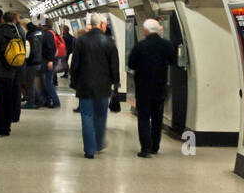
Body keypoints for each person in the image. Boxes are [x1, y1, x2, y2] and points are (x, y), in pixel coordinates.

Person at [69, 13, 119, 158]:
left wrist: (74, 82)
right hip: (103, 87)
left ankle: (89, 150)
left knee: (87, 116)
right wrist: (115, 83)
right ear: (102, 25)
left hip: (84, 86)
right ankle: (98, 144)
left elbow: (75, 64)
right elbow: (114, 66)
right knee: (101, 116)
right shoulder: (108, 42)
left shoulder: (81, 40)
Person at [127, 18, 176, 157]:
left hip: (143, 87)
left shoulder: (140, 46)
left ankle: (145, 148)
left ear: (146, 31)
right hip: (160, 87)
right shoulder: (166, 45)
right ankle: (155, 146)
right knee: (157, 117)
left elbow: (131, 64)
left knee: (143, 117)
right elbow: (173, 61)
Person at [0, 10, 26, 136]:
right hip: (12, 72)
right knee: (9, 100)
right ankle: (7, 128)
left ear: (3, 19)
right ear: (14, 20)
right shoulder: (19, 33)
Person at [38, 21, 61, 107]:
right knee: (45, 80)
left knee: (47, 81)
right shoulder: (53, 32)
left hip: (48, 60)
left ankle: (55, 101)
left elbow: (50, 47)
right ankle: (45, 100)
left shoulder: (48, 34)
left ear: (45, 25)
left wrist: (50, 60)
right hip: (49, 59)